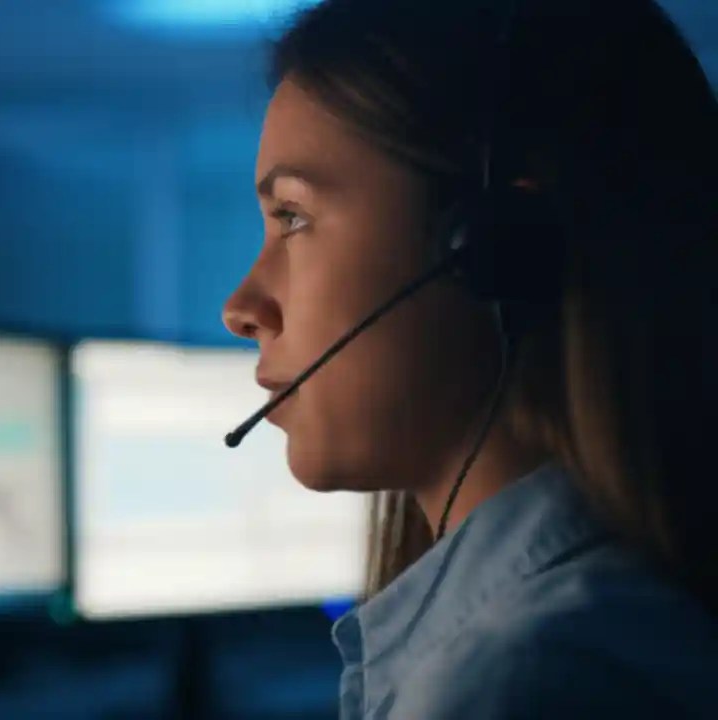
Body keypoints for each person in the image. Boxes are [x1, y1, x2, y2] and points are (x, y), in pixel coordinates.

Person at [221, 0, 717, 716]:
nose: (241, 307)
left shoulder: (525, 681)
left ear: (497, 247)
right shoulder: (608, 627)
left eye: (293, 218)